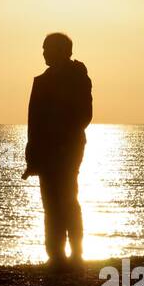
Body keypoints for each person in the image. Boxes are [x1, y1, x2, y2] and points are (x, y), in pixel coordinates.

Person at [22, 33, 92, 267]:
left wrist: (61, 138)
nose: (43, 52)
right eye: (43, 48)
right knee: (50, 201)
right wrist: (32, 157)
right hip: (46, 150)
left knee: (67, 197)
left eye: (47, 48)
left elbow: (84, 115)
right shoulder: (41, 81)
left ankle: (76, 253)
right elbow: (33, 123)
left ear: (61, 50)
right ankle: (55, 255)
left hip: (68, 148)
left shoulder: (78, 77)